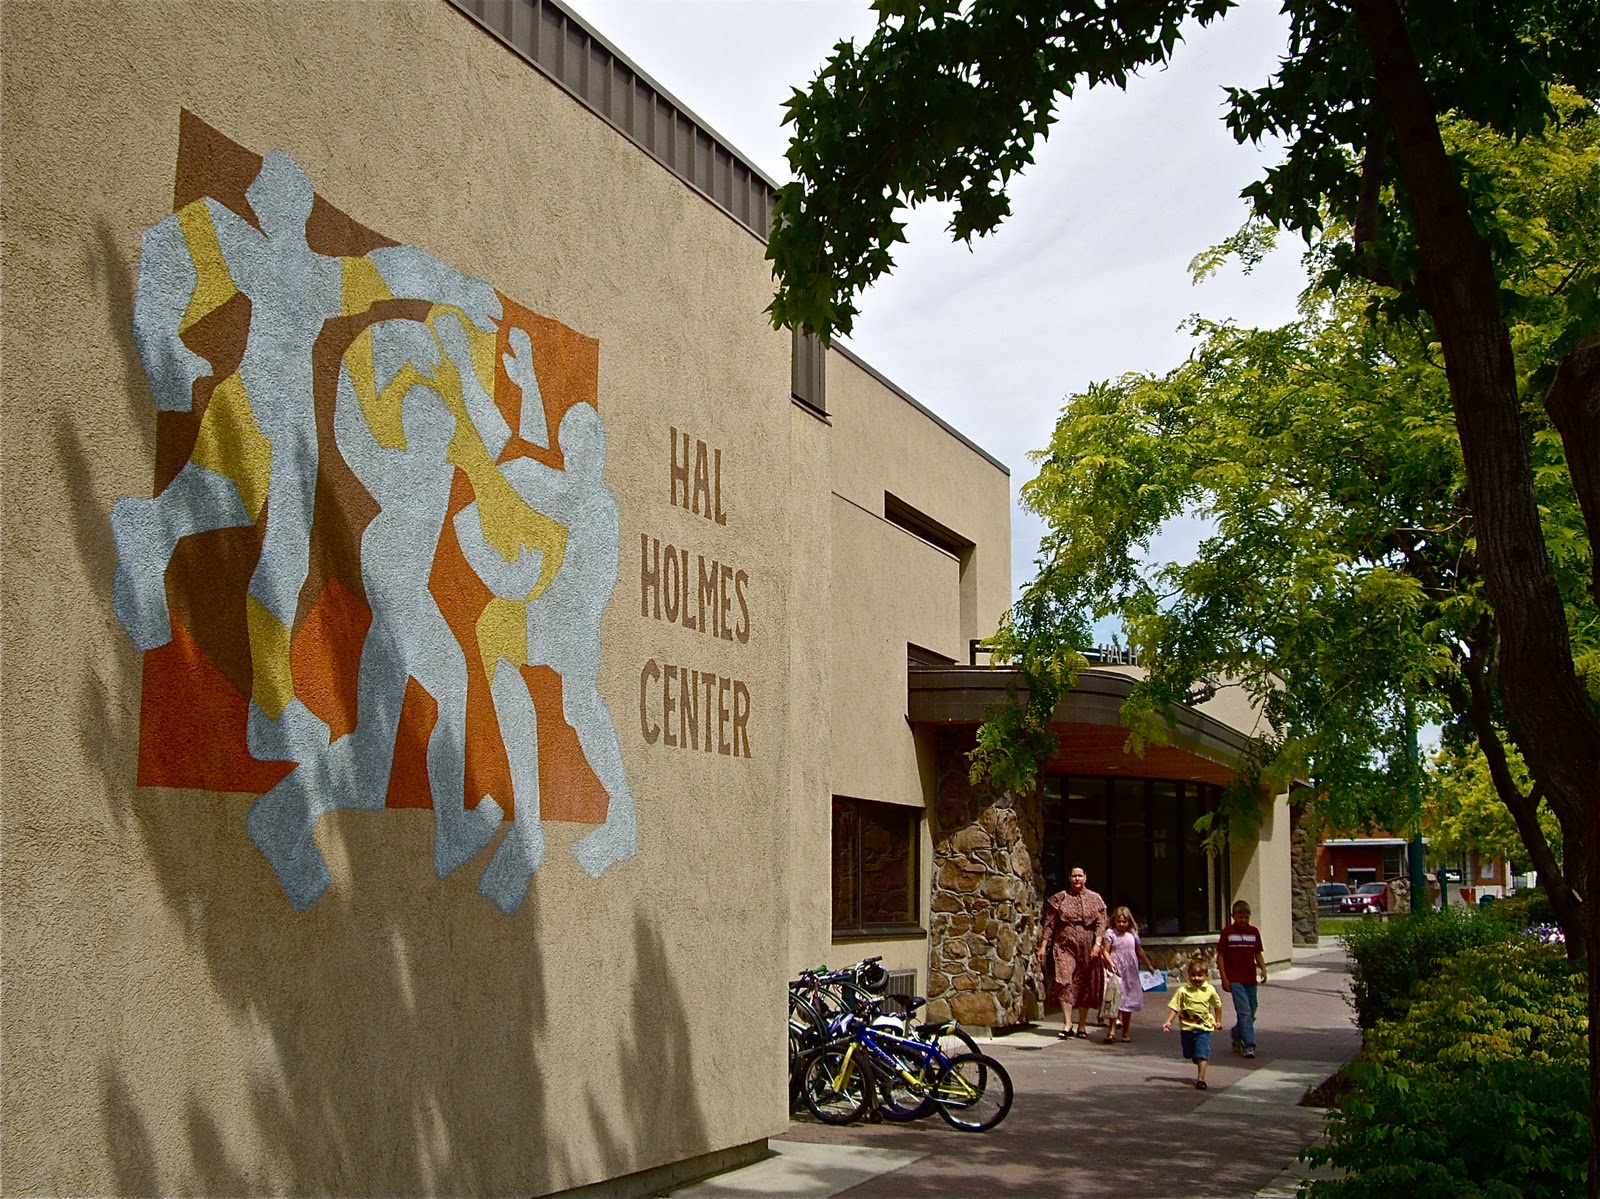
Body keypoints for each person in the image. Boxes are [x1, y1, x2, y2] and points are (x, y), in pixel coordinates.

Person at [1036, 866, 1107, 1039]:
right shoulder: (1060, 899)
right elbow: (1050, 924)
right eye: (1074, 876)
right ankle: (1067, 1023)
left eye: (1080, 876)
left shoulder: (1095, 899)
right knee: (1065, 979)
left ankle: (1081, 1025)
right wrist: (1044, 946)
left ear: (1085, 878)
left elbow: (1101, 923)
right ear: (1069, 878)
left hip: (1088, 947)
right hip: (1065, 946)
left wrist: (1097, 945)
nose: (1077, 879)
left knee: (1084, 984)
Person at [1217, 899, 1268, 1059]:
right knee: (1244, 1012)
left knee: (1252, 1011)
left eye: (1246, 917)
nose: (1243, 920)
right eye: (1240, 917)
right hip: (1235, 979)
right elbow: (1221, 956)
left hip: (1250, 978)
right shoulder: (1227, 933)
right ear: (1233, 916)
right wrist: (1224, 979)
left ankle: (1237, 1032)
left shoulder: (1253, 932)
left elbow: (1257, 953)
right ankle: (1249, 1045)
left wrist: (1263, 969)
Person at [1162, 957, 1223, 1089]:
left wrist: (1218, 1021)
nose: (1196, 978)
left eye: (1200, 975)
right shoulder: (1183, 991)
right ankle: (1194, 1056)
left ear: (1206, 976)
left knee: (1202, 1053)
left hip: (1204, 1027)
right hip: (1187, 1028)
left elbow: (1218, 1006)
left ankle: (1201, 1079)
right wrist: (1168, 1021)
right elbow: (1175, 1007)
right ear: (1188, 975)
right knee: (1188, 1053)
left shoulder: (1210, 990)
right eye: (1193, 975)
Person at [1100, 906, 1155, 1043]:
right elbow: (1106, 951)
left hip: (1130, 971)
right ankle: (1112, 1029)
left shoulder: (1132, 934)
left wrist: (1149, 965)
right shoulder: (1110, 933)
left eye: (1124, 922)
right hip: (1116, 970)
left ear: (1129, 922)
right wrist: (1110, 962)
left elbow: (1139, 951)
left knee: (1128, 1001)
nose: (1122, 924)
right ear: (1115, 921)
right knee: (1114, 999)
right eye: (1119, 921)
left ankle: (1126, 1031)